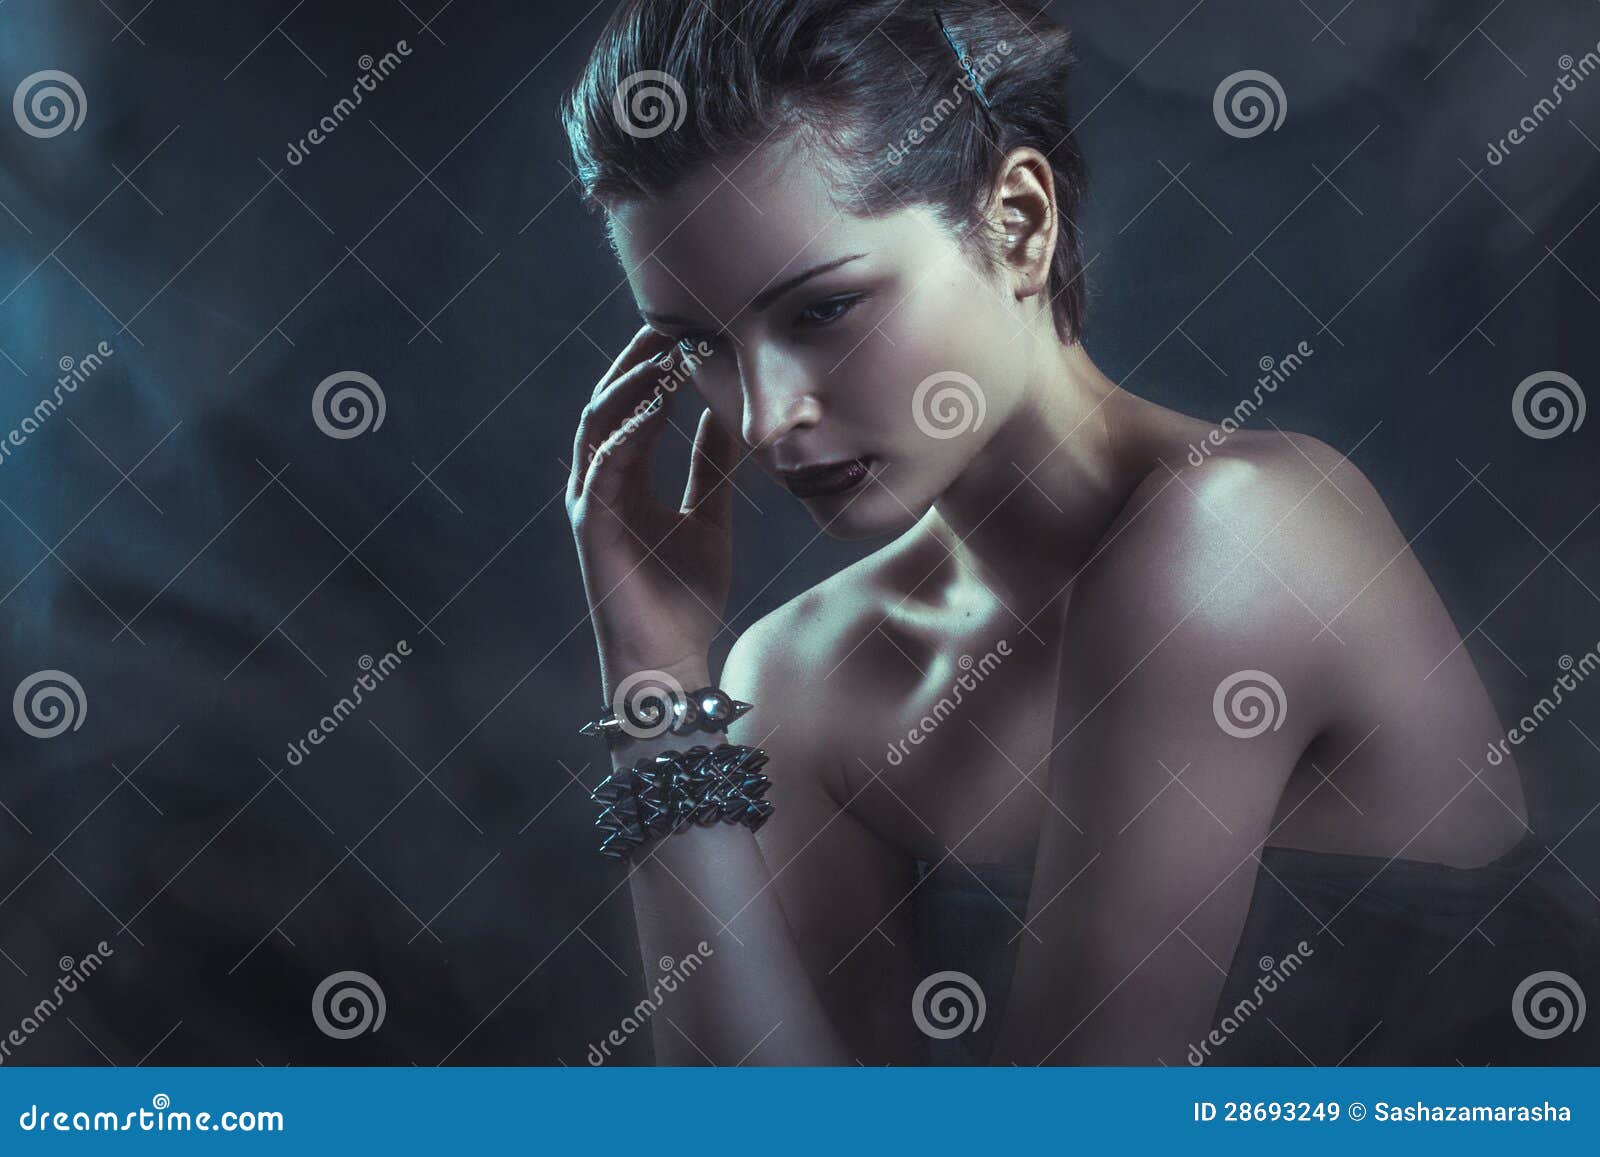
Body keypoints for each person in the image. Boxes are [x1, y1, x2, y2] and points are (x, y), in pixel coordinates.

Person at [559, 0, 1596, 1065]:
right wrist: (659, 690)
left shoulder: (1235, 539)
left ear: (1015, 223)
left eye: (820, 310)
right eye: (701, 346)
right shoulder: (800, 674)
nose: (765, 414)